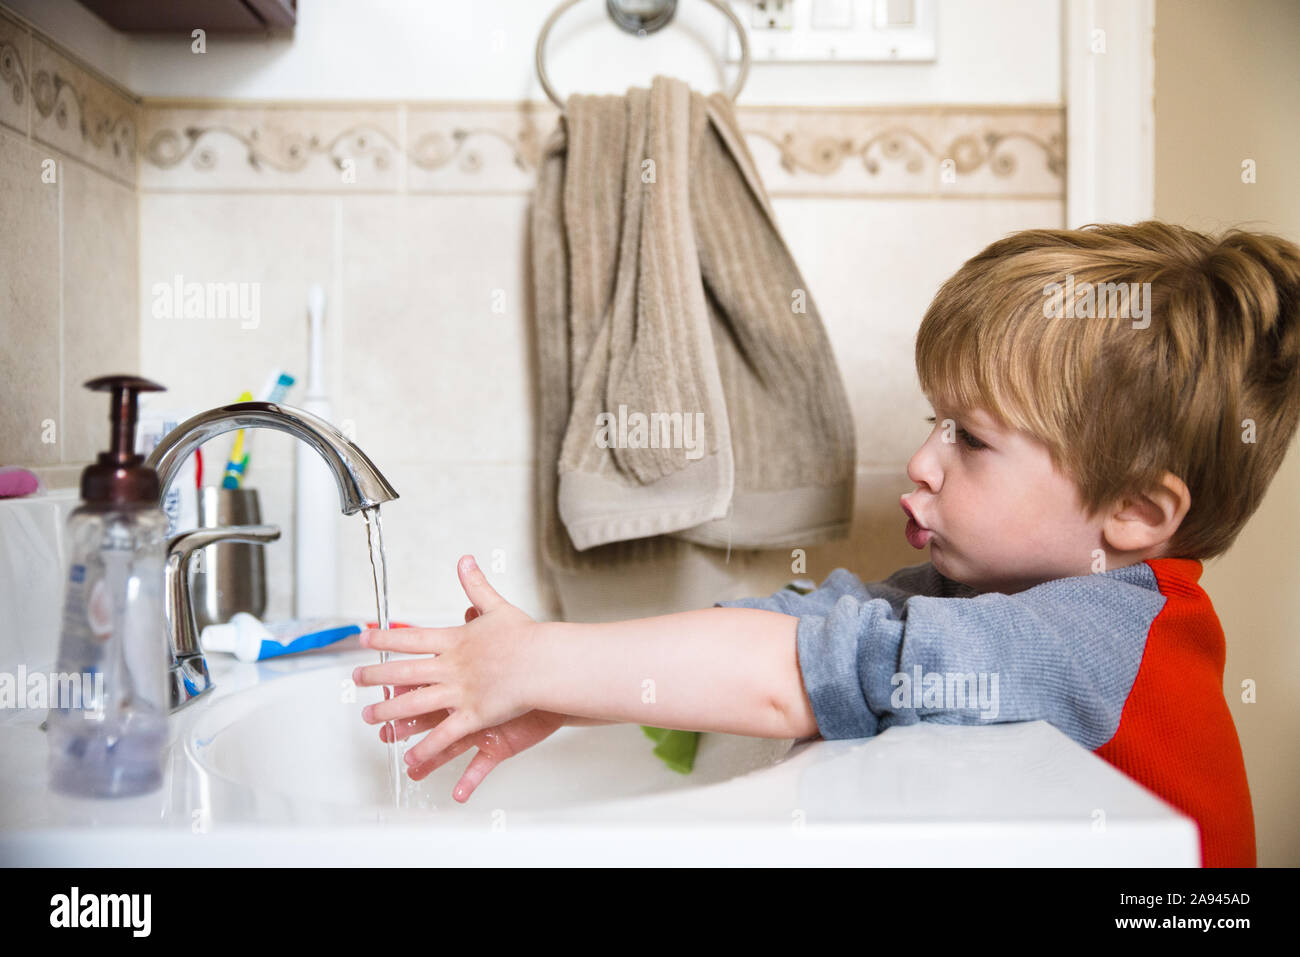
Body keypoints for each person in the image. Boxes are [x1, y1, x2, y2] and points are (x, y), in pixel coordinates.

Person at [355, 221, 1300, 867]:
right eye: (936, 422)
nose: (920, 462)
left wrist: (538, 661)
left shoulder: (1097, 634)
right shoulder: (986, 599)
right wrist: (564, 686)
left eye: (968, 439)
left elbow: (803, 669)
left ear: (1134, 512)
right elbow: (800, 625)